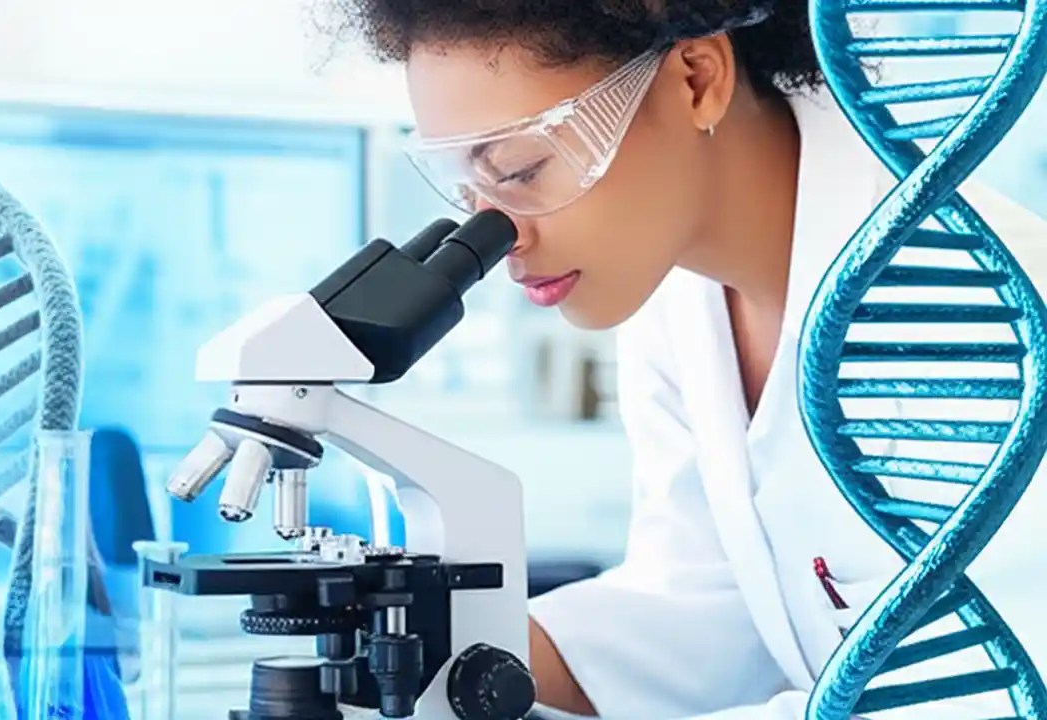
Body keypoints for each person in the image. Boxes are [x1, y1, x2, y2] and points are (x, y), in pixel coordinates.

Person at [317, 0, 1047, 718]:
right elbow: (707, 613)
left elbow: (987, 691)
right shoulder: (678, 308)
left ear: (697, 77)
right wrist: (443, 644)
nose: (500, 236)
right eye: (467, 186)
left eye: (521, 168)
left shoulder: (980, 307)